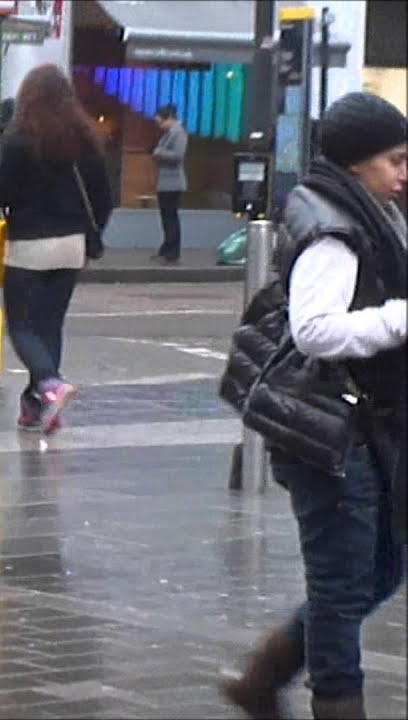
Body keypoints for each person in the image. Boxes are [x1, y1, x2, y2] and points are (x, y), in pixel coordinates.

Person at [220, 92, 406, 720]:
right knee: (343, 581)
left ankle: (263, 676)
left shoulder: (370, 210)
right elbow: (316, 331)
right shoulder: (335, 229)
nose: (404, 173)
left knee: (379, 570)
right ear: (357, 163)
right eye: (395, 160)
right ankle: (335, 702)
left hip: (359, 419)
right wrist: (400, 319)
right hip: (326, 428)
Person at [0, 64, 112, 435]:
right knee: (50, 326)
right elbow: (104, 198)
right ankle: (37, 407)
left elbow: (3, 195)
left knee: (21, 327)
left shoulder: (19, 140)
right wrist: (90, 233)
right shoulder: (85, 140)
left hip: (29, 245)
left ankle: (50, 384)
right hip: (71, 246)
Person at [151, 103, 187, 264]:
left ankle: (172, 252)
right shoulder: (168, 134)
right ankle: (166, 248)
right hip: (165, 182)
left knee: (171, 217)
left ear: (169, 119)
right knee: (166, 218)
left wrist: (158, 153)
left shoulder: (178, 133)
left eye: (160, 122)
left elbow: (178, 155)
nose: (159, 126)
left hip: (173, 183)